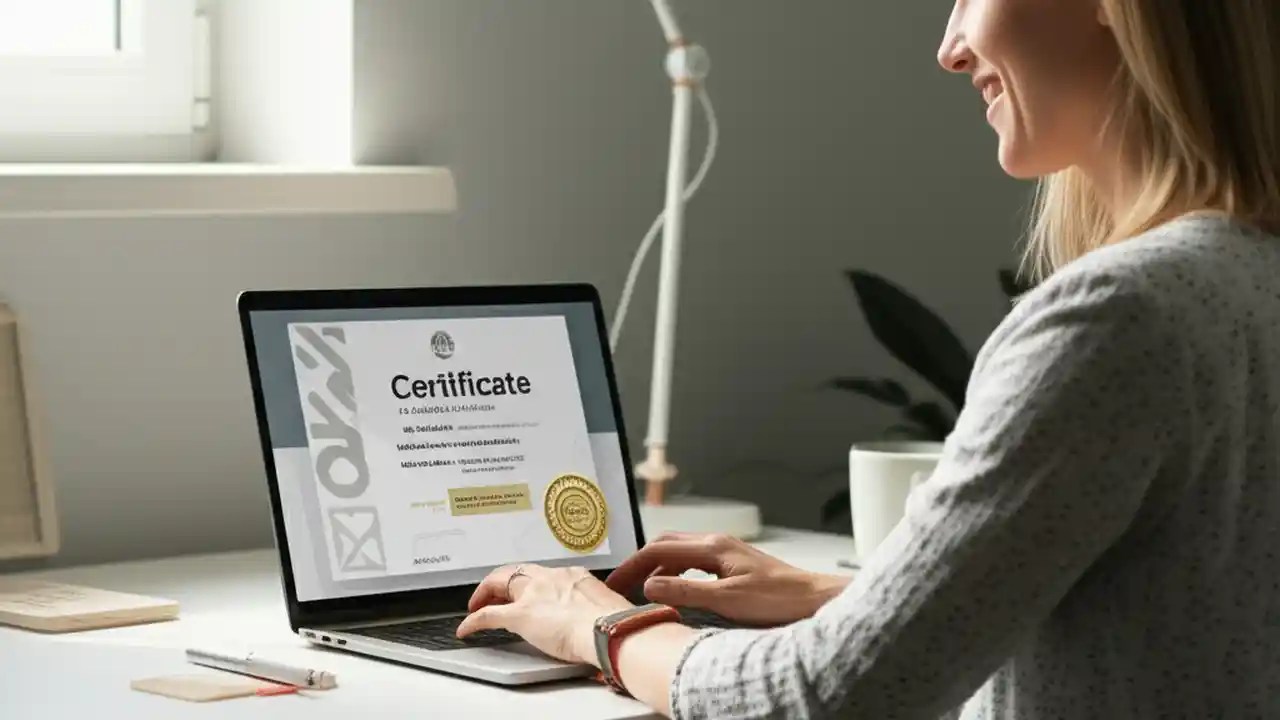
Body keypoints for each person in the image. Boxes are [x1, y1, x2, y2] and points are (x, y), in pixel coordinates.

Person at [459, 0, 1280, 716]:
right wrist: (851, 598)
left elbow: (830, 696)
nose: (950, 46)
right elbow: (1187, 610)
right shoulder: (1243, 277)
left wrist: (596, 624)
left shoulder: (1118, 318)